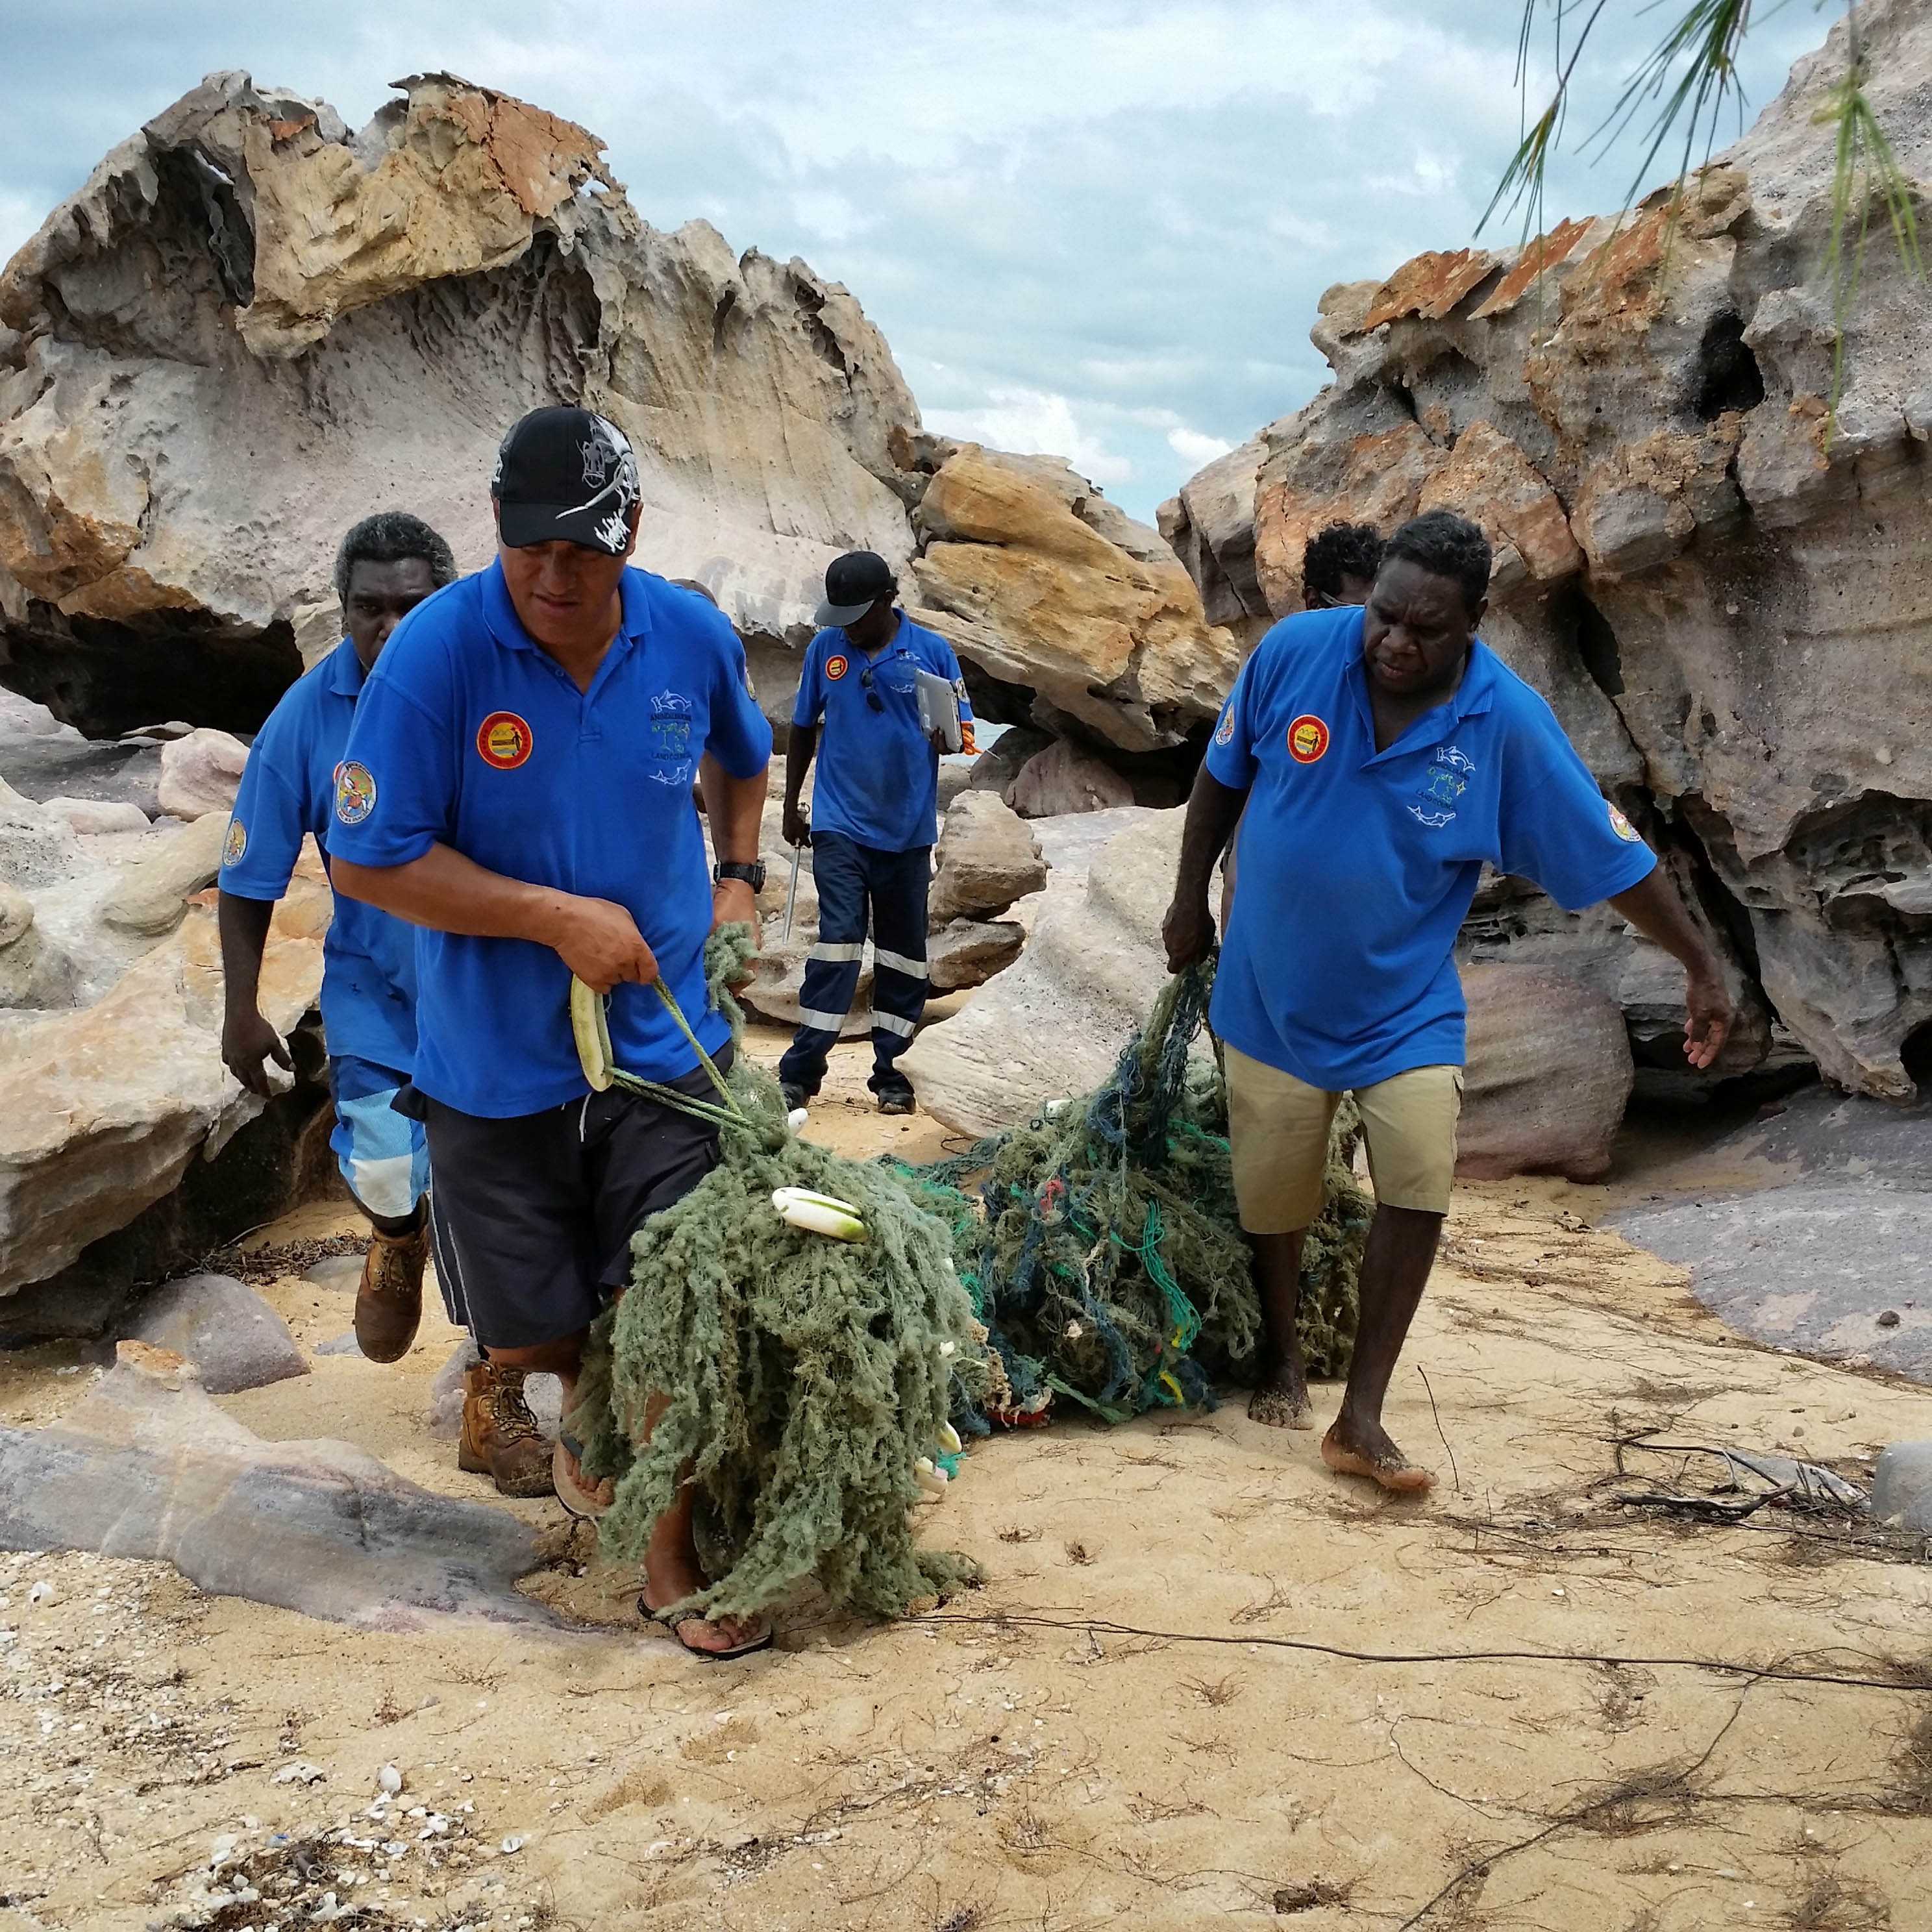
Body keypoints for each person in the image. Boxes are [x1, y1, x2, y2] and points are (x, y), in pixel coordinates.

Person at [1163, 509, 1733, 1492]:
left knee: (1419, 1179)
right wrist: (1186, 901)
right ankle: (1284, 1351)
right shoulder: (1297, 652)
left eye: (1425, 628)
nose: (1394, 641)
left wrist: (1700, 963)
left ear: (1473, 624)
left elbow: (1611, 858)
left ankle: (1363, 1415)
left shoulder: (1505, 724)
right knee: (1276, 1198)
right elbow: (1221, 778)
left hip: (1404, 1002)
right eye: (1385, 615)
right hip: (1268, 990)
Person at [329, 406, 775, 1659]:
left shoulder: (685, 633)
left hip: (662, 1045)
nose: (551, 575)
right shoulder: (436, 655)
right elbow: (369, 861)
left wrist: (738, 870)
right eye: (529, 546)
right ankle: (571, 1391)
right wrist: (554, 920)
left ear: (631, 533)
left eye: (582, 549)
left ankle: (668, 1554)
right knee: (532, 1329)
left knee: (670, 1297)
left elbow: (746, 755)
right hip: (495, 1060)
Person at [217, 515, 553, 1500]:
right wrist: (241, 1009)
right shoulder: (311, 712)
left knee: (500, 1200)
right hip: (374, 984)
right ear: (346, 610)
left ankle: (497, 1408)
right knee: (382, 1161)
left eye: (412, 606)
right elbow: (247, 875)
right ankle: (396, 1237)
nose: (391, 626)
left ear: (443, 602)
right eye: (370, 608)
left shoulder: (499, 685)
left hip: (493, 988)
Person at [776, 550, 974, 1117]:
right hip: (840, 823)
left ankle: (894, 1072)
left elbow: (963, 730)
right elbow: (801, 727)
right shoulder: (825, 649)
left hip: (907, 831)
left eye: (856, 615)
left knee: (904, 955)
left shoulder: (932, 652)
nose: (845, 627)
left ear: (888, 602)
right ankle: (800, 1073)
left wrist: (950, 740)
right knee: (838, 941)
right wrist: (793, 803)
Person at [1221, 521, 1385, 929]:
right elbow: (1228, 777)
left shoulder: (1397, 680)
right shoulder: (1282, 665)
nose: (1377, 632)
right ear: (1314, 602)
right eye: (1358, 612)